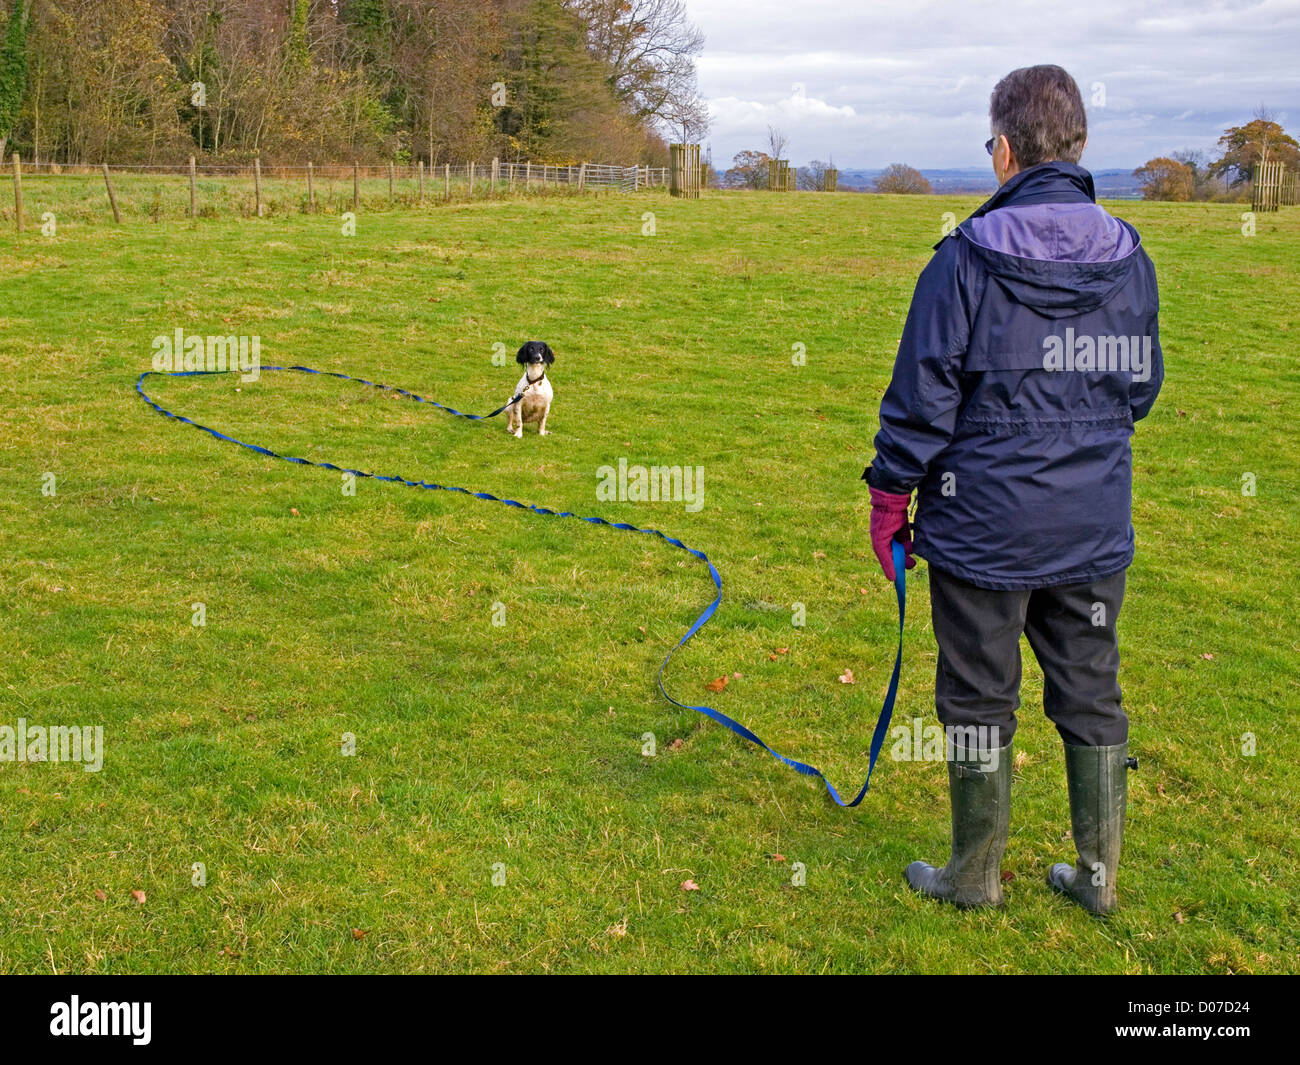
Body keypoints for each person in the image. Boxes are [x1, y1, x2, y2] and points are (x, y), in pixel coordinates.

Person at [863, 64, 1163, 913]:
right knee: (1091, 690)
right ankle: (1093, 879)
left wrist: (890, 498)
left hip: (982, 528)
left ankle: (975, 875)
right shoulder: (1130, 257)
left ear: (1003, 151)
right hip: (1091, 524)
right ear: (1077, 146)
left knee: (975, 694)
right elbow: (1139, 389)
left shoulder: (961, 259)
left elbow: (922, 399)